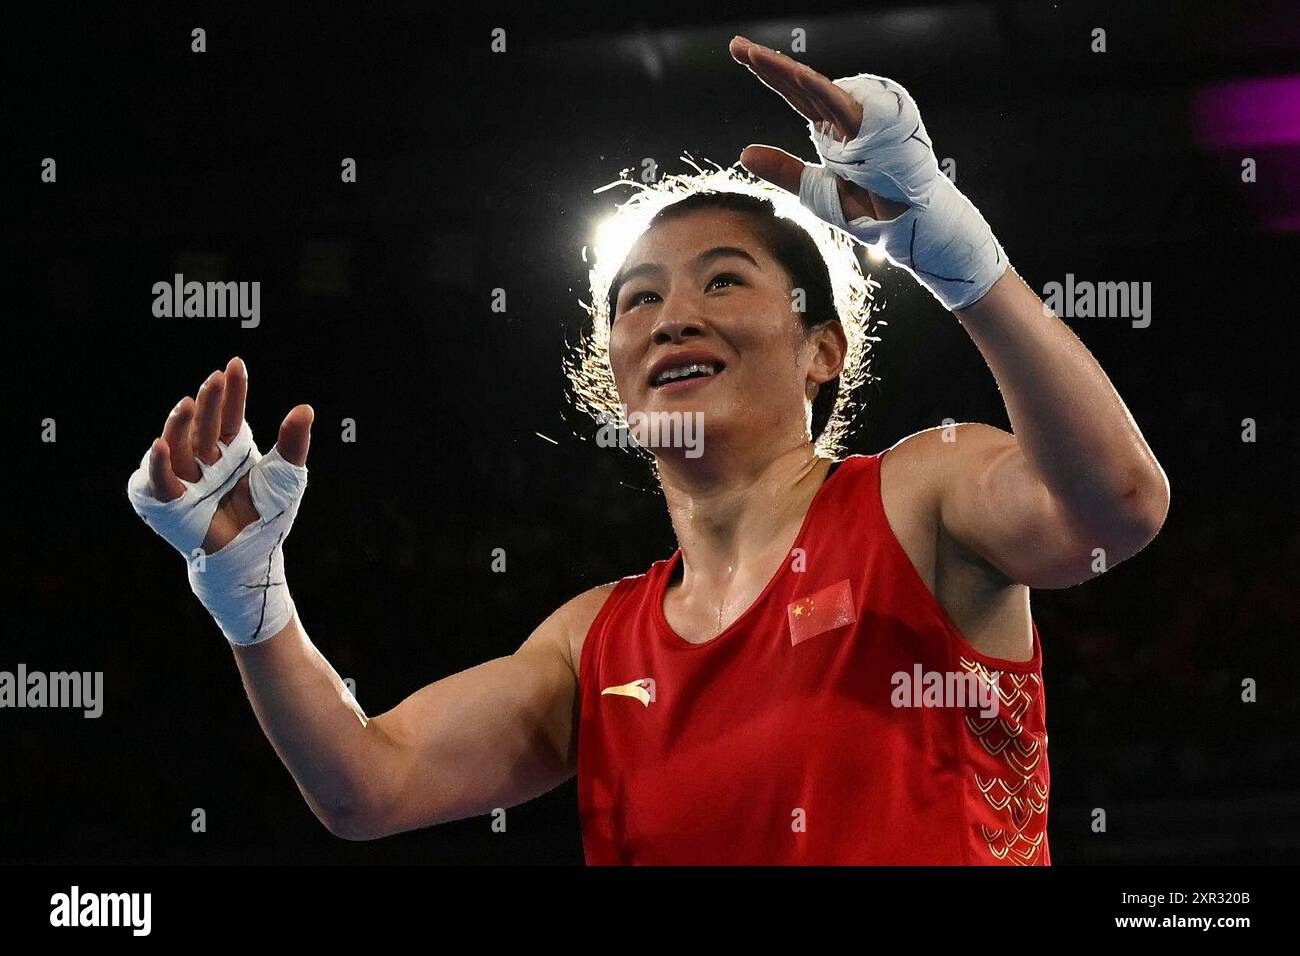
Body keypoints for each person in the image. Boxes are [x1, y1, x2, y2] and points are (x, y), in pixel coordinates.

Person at [126, 37, 1169, 864]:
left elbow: (1116, 504)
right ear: (615, 373)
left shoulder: (920, 495)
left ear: (821, 347)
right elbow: (367, 785)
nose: (672, 317)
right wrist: (248, 594)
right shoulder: (593, 641)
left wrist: (956, 253)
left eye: (722, 280)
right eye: (638, 300)